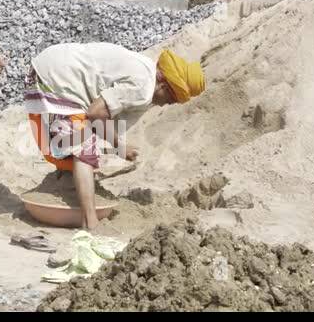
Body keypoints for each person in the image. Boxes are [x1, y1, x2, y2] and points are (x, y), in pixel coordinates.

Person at [25, 42, 205, 230]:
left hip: (44, 68)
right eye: (170, 100)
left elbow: (98, 123)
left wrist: (113, 146)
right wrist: (119, 147)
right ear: (164, 86)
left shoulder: (144, 69)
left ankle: (69, 188)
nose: (164, 105)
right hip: (59, 78)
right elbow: (96, 113)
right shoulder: (143, 87)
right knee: (83, 146)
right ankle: (90, 221)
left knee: (76, 142)